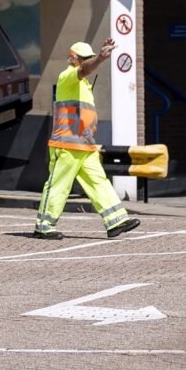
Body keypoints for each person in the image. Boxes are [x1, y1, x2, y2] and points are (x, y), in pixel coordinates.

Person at [34, 38, 141, 240]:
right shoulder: (67, 76)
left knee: (98, 181)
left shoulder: (83, 84)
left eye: (88, 59)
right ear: (73, 59)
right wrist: (100, 57)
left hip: (84, 145)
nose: (86, 63)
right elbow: (84, 70)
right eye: (83, 59)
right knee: (58, 185)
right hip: (66, 144)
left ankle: (116, 221)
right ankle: (44, 226)